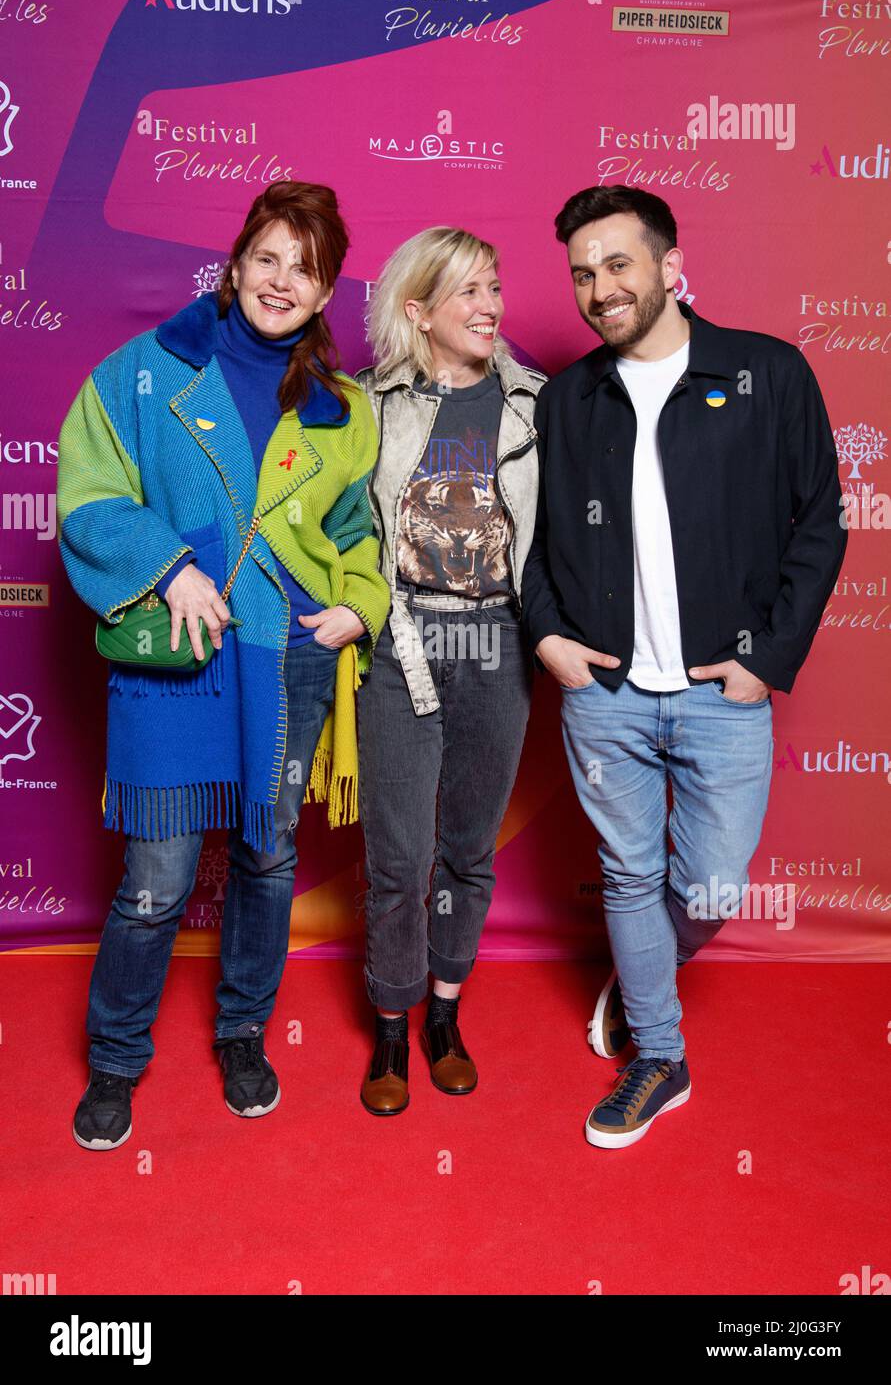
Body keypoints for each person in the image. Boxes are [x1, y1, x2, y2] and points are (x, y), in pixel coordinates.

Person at [57, 181, 390, 1150]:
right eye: (271, 257)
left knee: (267, 854)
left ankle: (242, 1030)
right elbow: (87, 492)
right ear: (237, 263)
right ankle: (116, 1058)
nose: (284, 281)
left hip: (287, 659)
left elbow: (356, 534)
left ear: (328, 293)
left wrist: (354, 609)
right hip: (181, 656)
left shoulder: (344, 409)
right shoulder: (146, 372)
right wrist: (167, 567)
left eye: (308, 268)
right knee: (156, 878)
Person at [522, 185, 848, 1149]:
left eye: (618, 264)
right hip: (606, 694)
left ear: (667, 265)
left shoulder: (765, 373)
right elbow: (528, 543)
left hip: (722, 692)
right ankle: (657, 1056)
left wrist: (766, 661)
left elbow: (819, 525)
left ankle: (639, 975)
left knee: (707, 885)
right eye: (582, 273)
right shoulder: (569, 399)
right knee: (627, 877)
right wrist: (549, 640)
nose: (599, 288)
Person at [354, 227, 546, 1114]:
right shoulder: (367, 404)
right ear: (418, 310)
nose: (489, 306)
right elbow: (338, 528)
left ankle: (444, 1013)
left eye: (494, 286)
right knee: (399, 857)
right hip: (402, 645)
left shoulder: (536, 406)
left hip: (498, 645)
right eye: (466, 291)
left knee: (468, 851)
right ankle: (390, 1023)